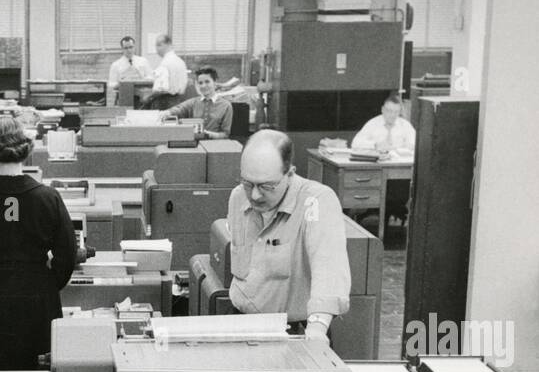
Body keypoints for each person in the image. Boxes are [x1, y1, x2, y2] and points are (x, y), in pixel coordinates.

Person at [0, 116, 78, 370]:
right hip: (39, 297)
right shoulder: (48, 197)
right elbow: (67, 256)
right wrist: (47, 283)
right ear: (25, 149)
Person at [226, 129, 350, 337]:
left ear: (290, 173)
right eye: (248, 183)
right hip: (242, 323)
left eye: (266, 186)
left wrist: (317, 329)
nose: (255, 195)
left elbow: (329, 271)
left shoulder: (316, 202)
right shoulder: (239, 196)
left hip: (293, 332)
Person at [161, 66, 234, 139]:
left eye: (207, 82)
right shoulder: (193, 102)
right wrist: (167, 113)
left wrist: (208, 134)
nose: (203, 86)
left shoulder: (226, 106)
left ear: (215, 82)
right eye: (200, 83)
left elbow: (225, 134)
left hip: (214, 146)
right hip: (194, 144)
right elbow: (179, 109)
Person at [351, 92, 416, 154]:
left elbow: (414, 145)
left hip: (400, 162)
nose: (393, 115)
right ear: (383, 110)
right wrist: (375, 145)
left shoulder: (405, 125)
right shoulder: (373, 123)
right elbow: (355, 143)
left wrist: (404, 148)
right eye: (389, 111)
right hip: (378, 162)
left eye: (396, 112)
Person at [141, 34, 189, 111]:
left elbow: (160, 89)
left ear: (168, 45)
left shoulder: (165, 63)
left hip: (165, 103)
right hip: (179, 102)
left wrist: (148, 96)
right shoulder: (181, 62)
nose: (156, 49)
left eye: (159, 45)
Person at [106, 35, 151, 104]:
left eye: (131, 47)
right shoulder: (115, 65)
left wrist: (143, 80)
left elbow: (151, 77)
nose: (129, 50)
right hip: (124, 96)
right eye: (126, 48)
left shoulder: (143, 61)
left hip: (141, 96)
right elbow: (111, 83)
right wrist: (120, 84)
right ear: (122, 49)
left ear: (134, 47)